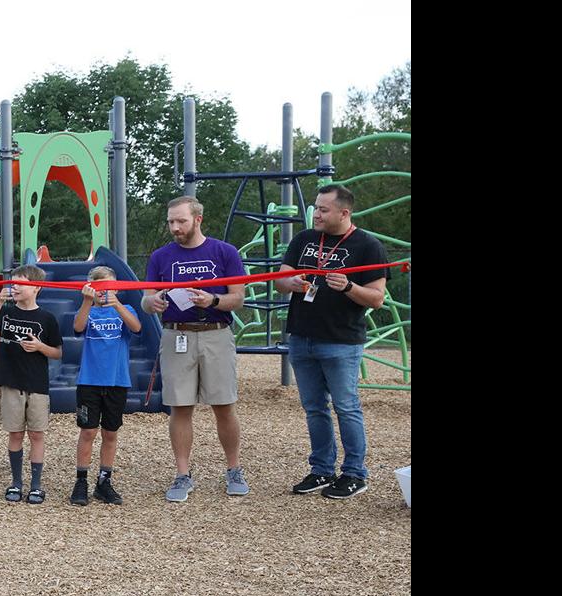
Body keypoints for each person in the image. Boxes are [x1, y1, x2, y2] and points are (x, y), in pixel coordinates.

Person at [275, 184, 388, 499]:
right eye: (316, 208)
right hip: (301, 337)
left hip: (341, 341)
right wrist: (290, 282)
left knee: (346, 407)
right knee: (314, 408)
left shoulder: (368, 246)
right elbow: (280, 280)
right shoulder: (304, 239)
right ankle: (322, 469)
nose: (317, 214)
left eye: (324, 210)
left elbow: (376, 298)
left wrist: (349, 287)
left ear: (344, 212)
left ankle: (354, 474)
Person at [142, 196, 249, 502]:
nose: (175, 227)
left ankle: (234, 469)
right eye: (171, 222)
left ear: (198, 220)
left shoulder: (225, 252)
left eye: (181, 221)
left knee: (224, 404)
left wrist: (212, 300)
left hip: (216, 333)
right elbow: (145, 298)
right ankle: (182, 474)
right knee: (179, 406)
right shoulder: (160, 257)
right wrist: (153, 302)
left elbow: (238, 298)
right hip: (177, 334)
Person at [0, 264, 62, 505]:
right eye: (12, 282)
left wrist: (39, 347)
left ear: (36, 287)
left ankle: (36, 485)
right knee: (15, 433)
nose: (14, 287)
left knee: (37, 434)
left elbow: (57, 352)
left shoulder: (47, 318)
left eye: (20, 283)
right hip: (10, 381)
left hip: (36, 383)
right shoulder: (6, 312)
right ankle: (16, 482)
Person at [70, 266, 141, 506]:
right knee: (88, 431)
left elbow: (136, 327)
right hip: (89, 381)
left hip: (117, 381)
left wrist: (117, 304)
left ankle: (104, 481)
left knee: (110, 432)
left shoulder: (125, 309)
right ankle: (81, 481)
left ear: (117, 288)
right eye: (99, 287)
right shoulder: (87, 311)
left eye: (108, 287)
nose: (104, 292)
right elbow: (78, 327)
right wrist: (87, 301)